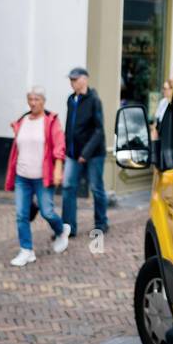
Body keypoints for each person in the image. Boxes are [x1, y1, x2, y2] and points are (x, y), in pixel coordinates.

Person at [4, 85, 71, 266]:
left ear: (43, 101)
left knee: (47, 211)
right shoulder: (23, 120)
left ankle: (61, 230)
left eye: (37, 99)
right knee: (21, 214)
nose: (33, 103)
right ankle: (27, 250)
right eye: (30, 99)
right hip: (22, 176)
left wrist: (58, 169)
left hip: (43, 176)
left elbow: (59, 146)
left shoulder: (50, 121)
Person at [62, 67, 107, 237]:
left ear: (85, 80)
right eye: (71, 80)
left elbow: (99, 130)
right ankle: (68, 227)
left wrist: (85, 153)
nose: (72, 83)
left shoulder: (94, 100)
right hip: (73, 153)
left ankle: (101, 223)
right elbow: (69, 127)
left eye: (75, 79)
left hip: (94, 154)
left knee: (96, 188)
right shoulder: (70, 100)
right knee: (68, 188)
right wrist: (67, 148)